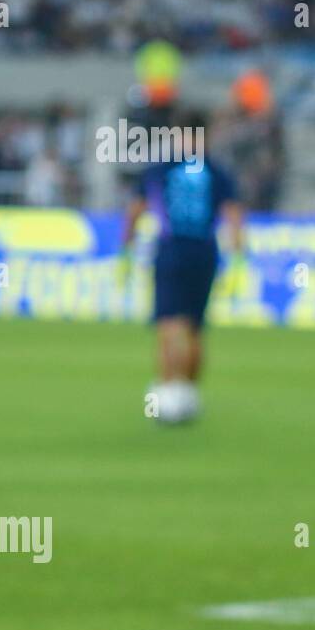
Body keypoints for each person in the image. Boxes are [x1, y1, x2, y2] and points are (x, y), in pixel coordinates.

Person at [121, 112, 244, 423]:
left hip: (172, 250)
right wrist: (239, 254)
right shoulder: (216, 170)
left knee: (168, 327)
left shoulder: (162, 169)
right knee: (194, 328)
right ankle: (188, 395)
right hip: (205, 252)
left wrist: (126, 246)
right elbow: (233, 214)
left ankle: (167, 393)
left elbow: (136, 208)